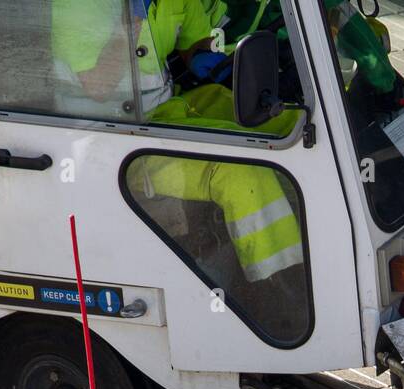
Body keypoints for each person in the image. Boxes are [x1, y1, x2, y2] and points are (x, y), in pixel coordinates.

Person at [52, 0, 309, 339]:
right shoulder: (81, 8)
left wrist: (205, 58)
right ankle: (278, 293)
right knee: (245, 168)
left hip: (164, 109)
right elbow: (98, 85)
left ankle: (317, 245)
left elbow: (193, 42)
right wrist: (131, 21)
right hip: (109, 139)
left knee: (291, 123)